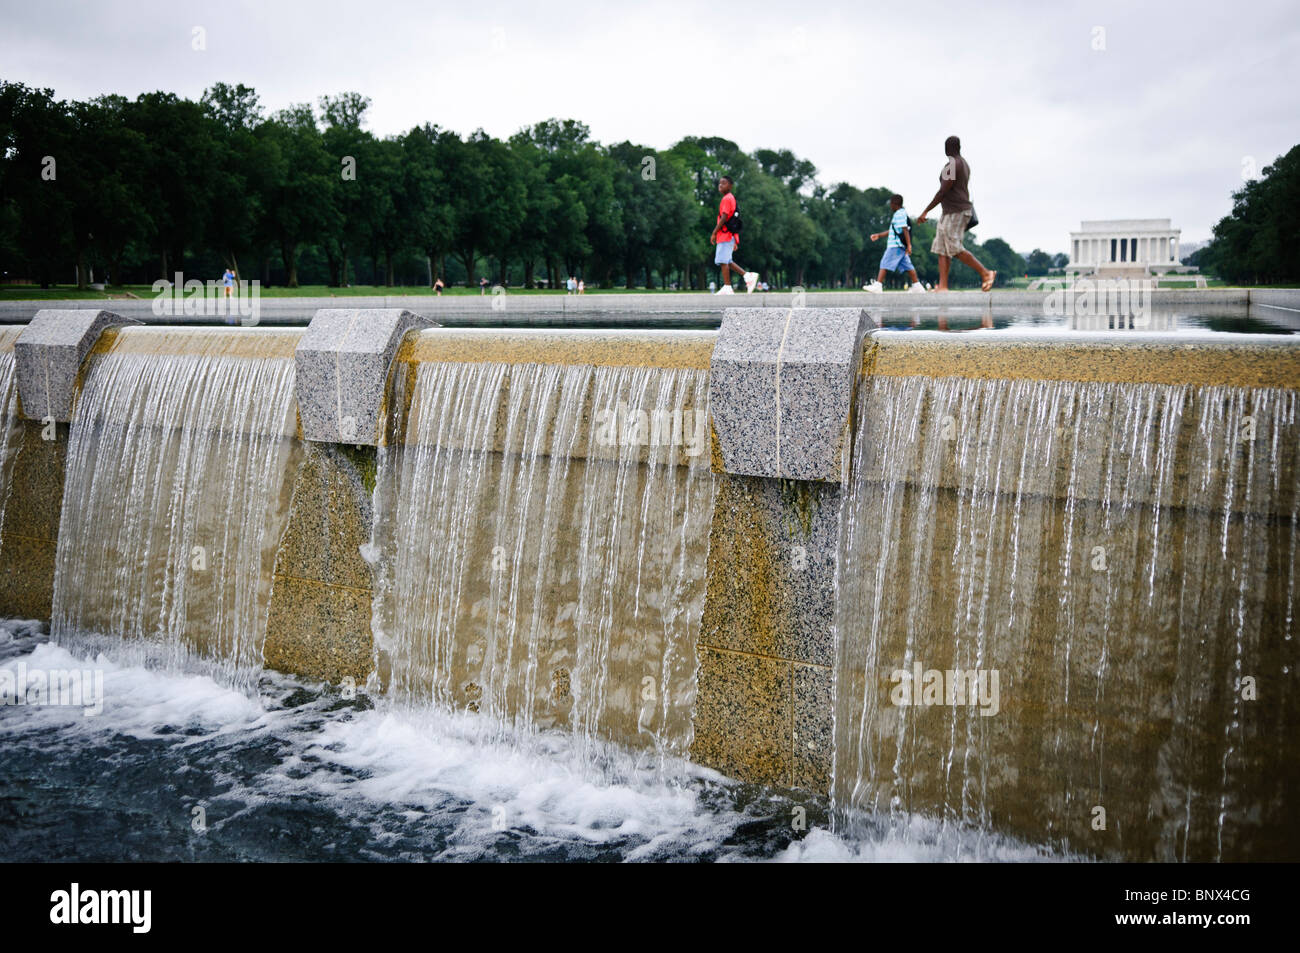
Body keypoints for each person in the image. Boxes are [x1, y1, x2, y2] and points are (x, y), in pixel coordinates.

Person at [916, 136, 996, 292]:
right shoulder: (963, 163)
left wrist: (926, 211)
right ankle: (943, 286)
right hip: (949, 212)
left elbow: (943, 191)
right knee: (941, 248)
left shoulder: (953, 164)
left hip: (956, 212)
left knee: (954, 248)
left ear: (947, 148)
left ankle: (985, 273)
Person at [865, 194, 925, 293]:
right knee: (908, 266)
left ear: (894, 204)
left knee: (884, 263)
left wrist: (909, 245)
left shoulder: (899, 214)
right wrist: (879, 235)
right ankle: (917, 286)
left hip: (895, 245)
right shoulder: (901, 213)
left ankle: (878, 285)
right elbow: (893, 231)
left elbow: (904, 229)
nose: (890, 206)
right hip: (900, 246)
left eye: (891, 204)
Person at [710, 175, 758, 294]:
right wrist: (735, 239)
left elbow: (725, 217)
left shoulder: (727, 198)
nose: (720, 185)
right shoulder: (731, 198)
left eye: (724, 183)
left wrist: (714, 232)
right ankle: (748, 276)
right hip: (728, 235)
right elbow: (733, 219)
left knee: (723, 261)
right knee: (727, 260)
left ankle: (727, 287)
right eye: (719, 183)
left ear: (730, 186)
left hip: (724, 235)